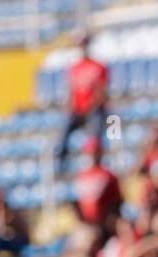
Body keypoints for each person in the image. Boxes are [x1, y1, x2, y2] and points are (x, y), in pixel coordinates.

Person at [58, 31, 110, 165]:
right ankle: (61, 162)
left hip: (95, 110)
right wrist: (73, 108)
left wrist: (91, 105)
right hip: (78, 111)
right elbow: (71, 92)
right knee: (64, 131)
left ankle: (95, 159)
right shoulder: (74, 68)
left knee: (95, 131)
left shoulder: (99, 67)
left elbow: (102, 92)